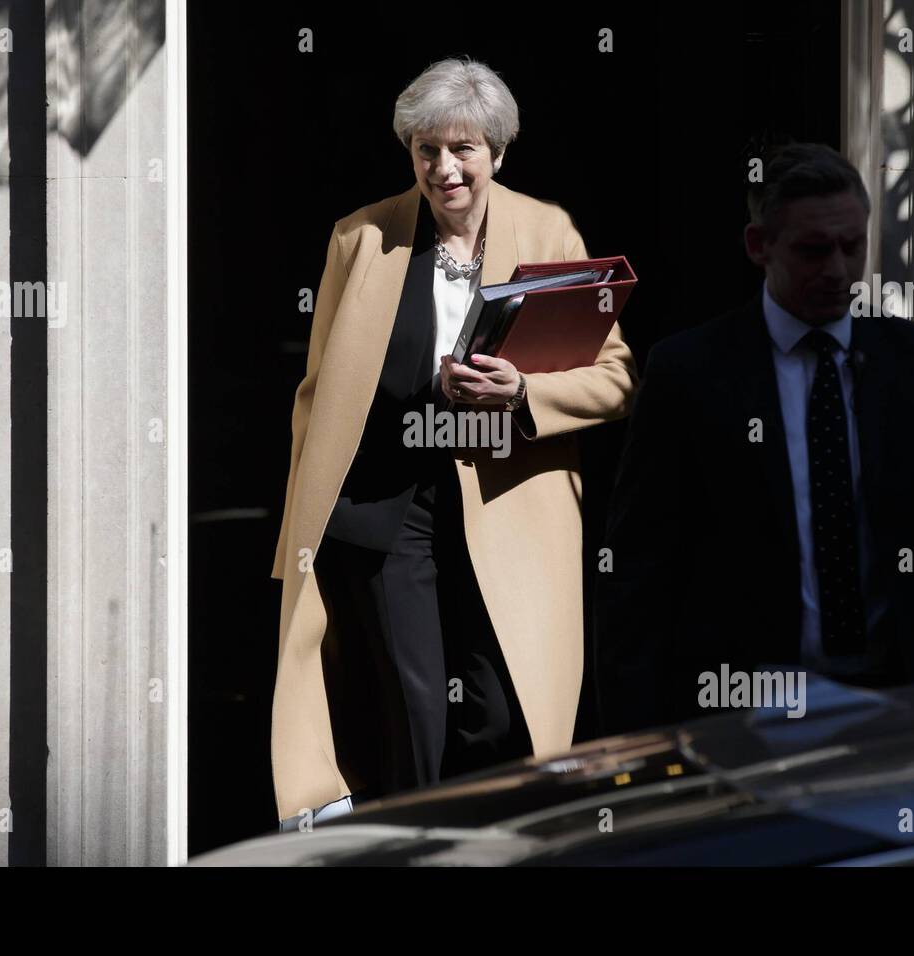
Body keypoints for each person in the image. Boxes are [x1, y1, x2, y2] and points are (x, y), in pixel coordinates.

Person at [271, 56, 638, 830]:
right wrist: (298, 531)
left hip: (510, 509)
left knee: (504, 713)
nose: (445, 169)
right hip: (388, 508)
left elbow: (617, 379)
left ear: (497, 153)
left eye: (463, 149)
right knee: (413, 720)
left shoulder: (548, 231)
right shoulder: (360, 239)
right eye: (427, 150)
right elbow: (316, 394)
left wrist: (526, 393)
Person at [594, 142, 914, 736]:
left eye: (851, 246)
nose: (837, 269)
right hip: (743, 715)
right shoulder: (690, 374)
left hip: (908, 707)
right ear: (761, 247)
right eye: (813, 250)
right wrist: (635, 744)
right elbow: (638, 570)